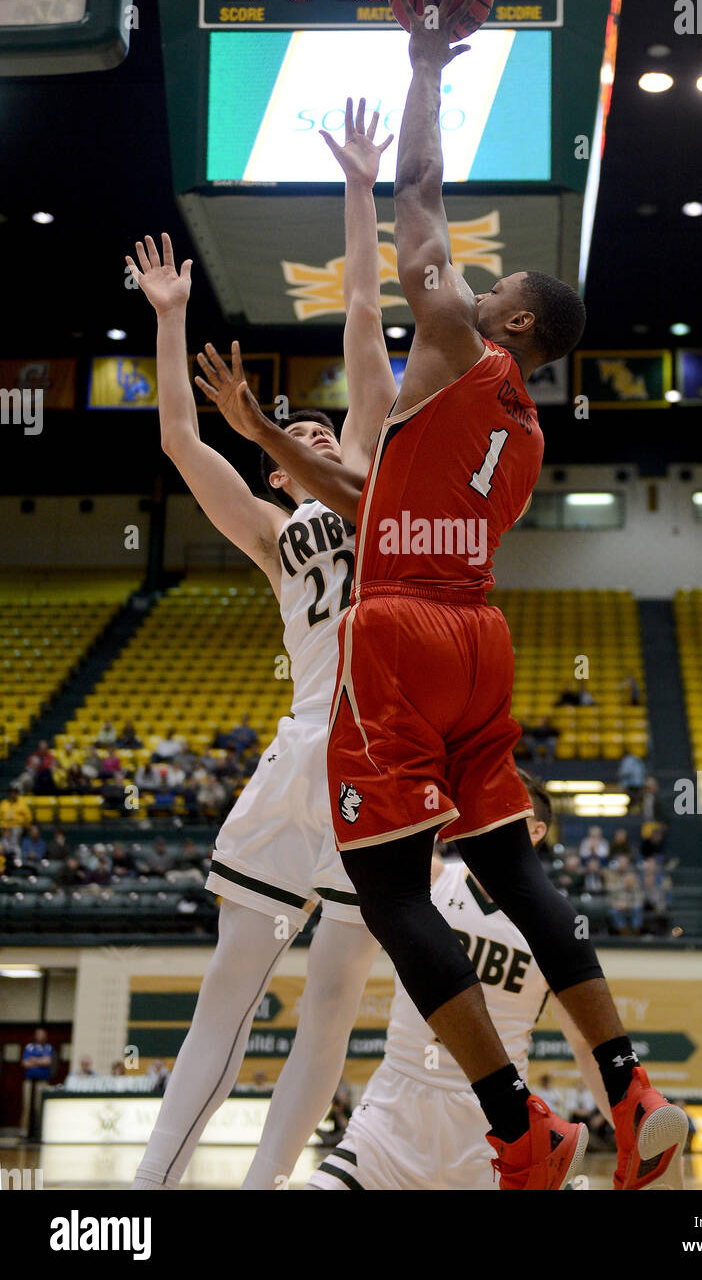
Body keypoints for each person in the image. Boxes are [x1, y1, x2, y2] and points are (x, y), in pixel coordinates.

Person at [232, 0, 687, 1190]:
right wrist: (283, 450)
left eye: (501, 292)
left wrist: (427, 59)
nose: (479, 286)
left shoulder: (455, 344)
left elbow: (422, 201)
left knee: (390, 894)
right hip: (480, 631)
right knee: (515, 867)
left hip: (399, 635)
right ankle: (629, 1086)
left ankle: (517, 1124)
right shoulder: (524, 436)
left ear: (520, 319)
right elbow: (378, 510)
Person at [126, 102, 401, 1192]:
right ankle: (147, 1192)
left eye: (330, 423)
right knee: (231, 985)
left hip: (382, 762)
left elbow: (366, 315)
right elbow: (180, 438)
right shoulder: (277, 529)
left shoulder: (374, 482)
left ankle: (262, 1190)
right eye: (302, 436)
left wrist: (361, 185)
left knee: (334, 994)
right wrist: (168, 313)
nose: (323, 429)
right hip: (303, 754)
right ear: (282, 467)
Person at [308, 777, 616, 1191]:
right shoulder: (430, 879)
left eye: (505, 805)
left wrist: (634, 1137)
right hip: (394, 1115)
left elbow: (584, 1046)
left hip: (494, 1131)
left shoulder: (554, 927)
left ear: (535, 830)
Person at [22, 1028, 55, 1137]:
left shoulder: (48, 1047)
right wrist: (40, 1060)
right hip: (30, 1082)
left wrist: (34, 1060)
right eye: (38, 1034)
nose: (40, 1036)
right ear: (35, 1036)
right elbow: (25, 1063)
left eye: (43, 1035)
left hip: (42, 1082)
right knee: (27, 1107)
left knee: (39, 1107)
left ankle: (38, 1132)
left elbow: (48, 1061)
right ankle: (26, 1131)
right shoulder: (29, 1047)